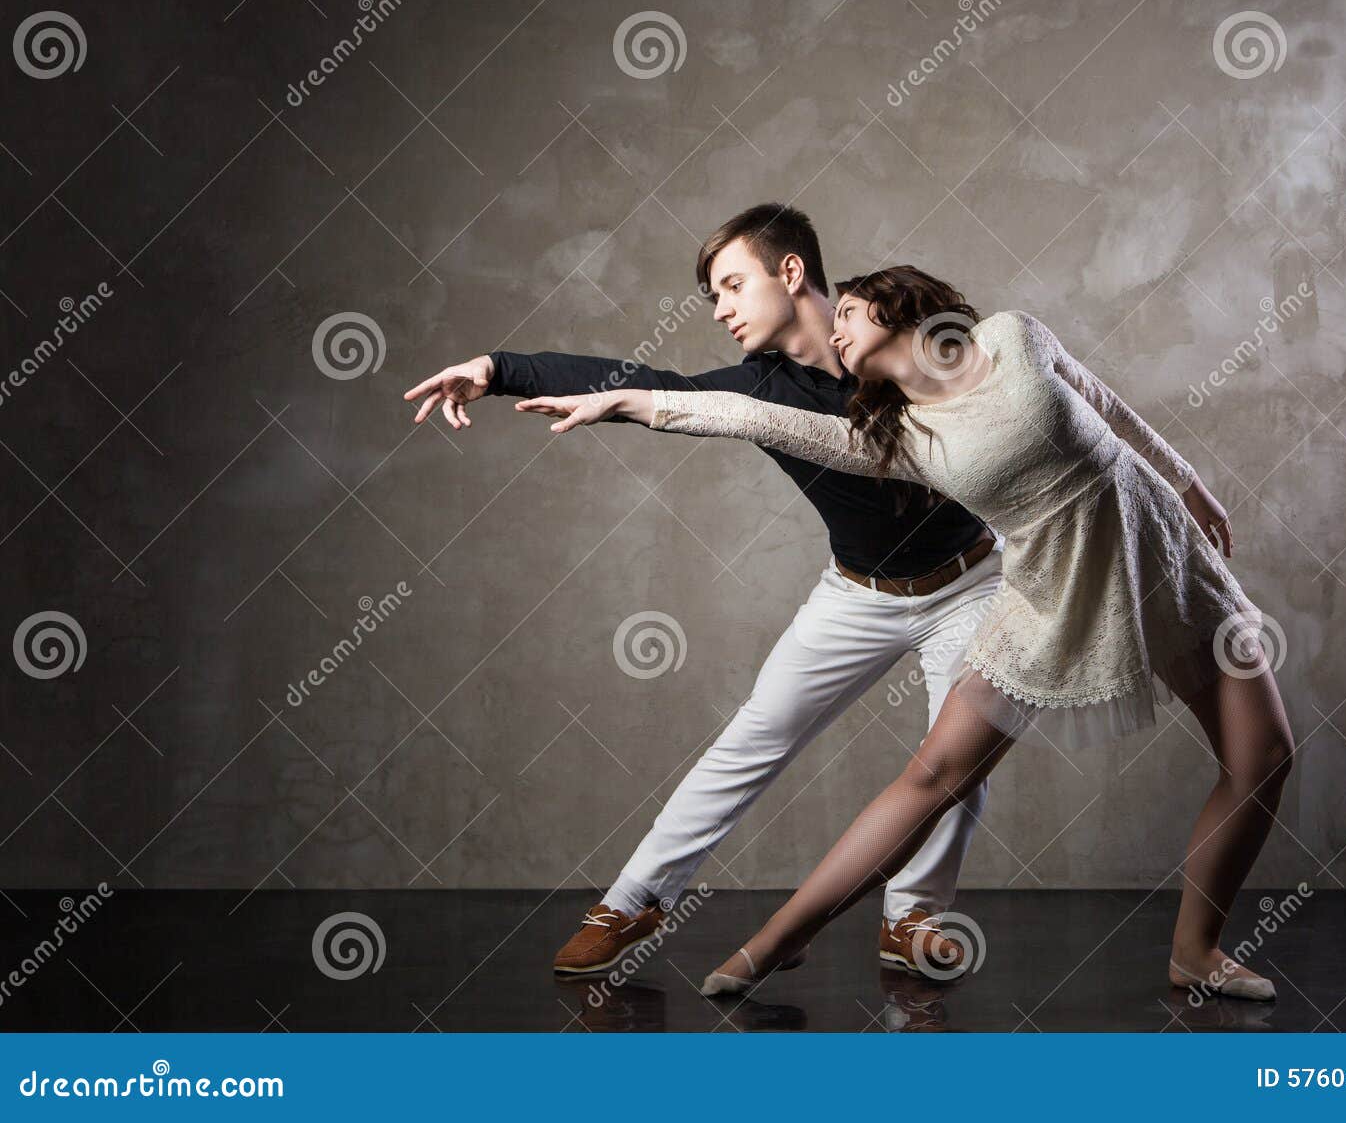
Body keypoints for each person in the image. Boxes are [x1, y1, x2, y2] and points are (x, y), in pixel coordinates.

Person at [517, 265, 1296, 1001]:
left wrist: (1189, 484)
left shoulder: (1013, 336)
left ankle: (1197, 952)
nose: (837, 331)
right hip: (1047, 598)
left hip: (1159, 549)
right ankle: (777, 939)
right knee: (935, 775)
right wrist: (624, 403)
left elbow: (1110, 405)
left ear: (895, 307)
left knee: (1263, 756)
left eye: (848, 312)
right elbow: (749, 415)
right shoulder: (901, 442)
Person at [404, 207, 1002, 979]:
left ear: (791, 274)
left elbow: (1019, 399)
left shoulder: (890, 321)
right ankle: (634, 899)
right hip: (858, 593)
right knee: (751, 740)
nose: (719, 308)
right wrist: (496, 368)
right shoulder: (757, 386)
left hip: (972, 581)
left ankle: (910, 911)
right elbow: (649, 387)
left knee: (960, 753)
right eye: (711, 294)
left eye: (730, 285)